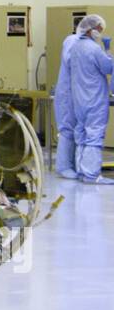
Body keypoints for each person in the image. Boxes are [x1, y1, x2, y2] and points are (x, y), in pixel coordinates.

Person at [68, 15, 114, 185]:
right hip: (94, 98)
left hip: (80, 98)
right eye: (99, 30)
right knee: (94, 134)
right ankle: (91, 174)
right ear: (91, 29)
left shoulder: (76, 47)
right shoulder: (93, 49)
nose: (100, 33)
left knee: (81, 133)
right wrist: (108, 51)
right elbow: (108, 67)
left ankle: (81, 171)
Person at [53, 29, 80, 179]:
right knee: (67, 129)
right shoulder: (72, 41)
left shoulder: (86, 44)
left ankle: (75, 164)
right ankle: (63, 166)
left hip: (78, 95)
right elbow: (71, 59)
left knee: (77, 130)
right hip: (68, 94)